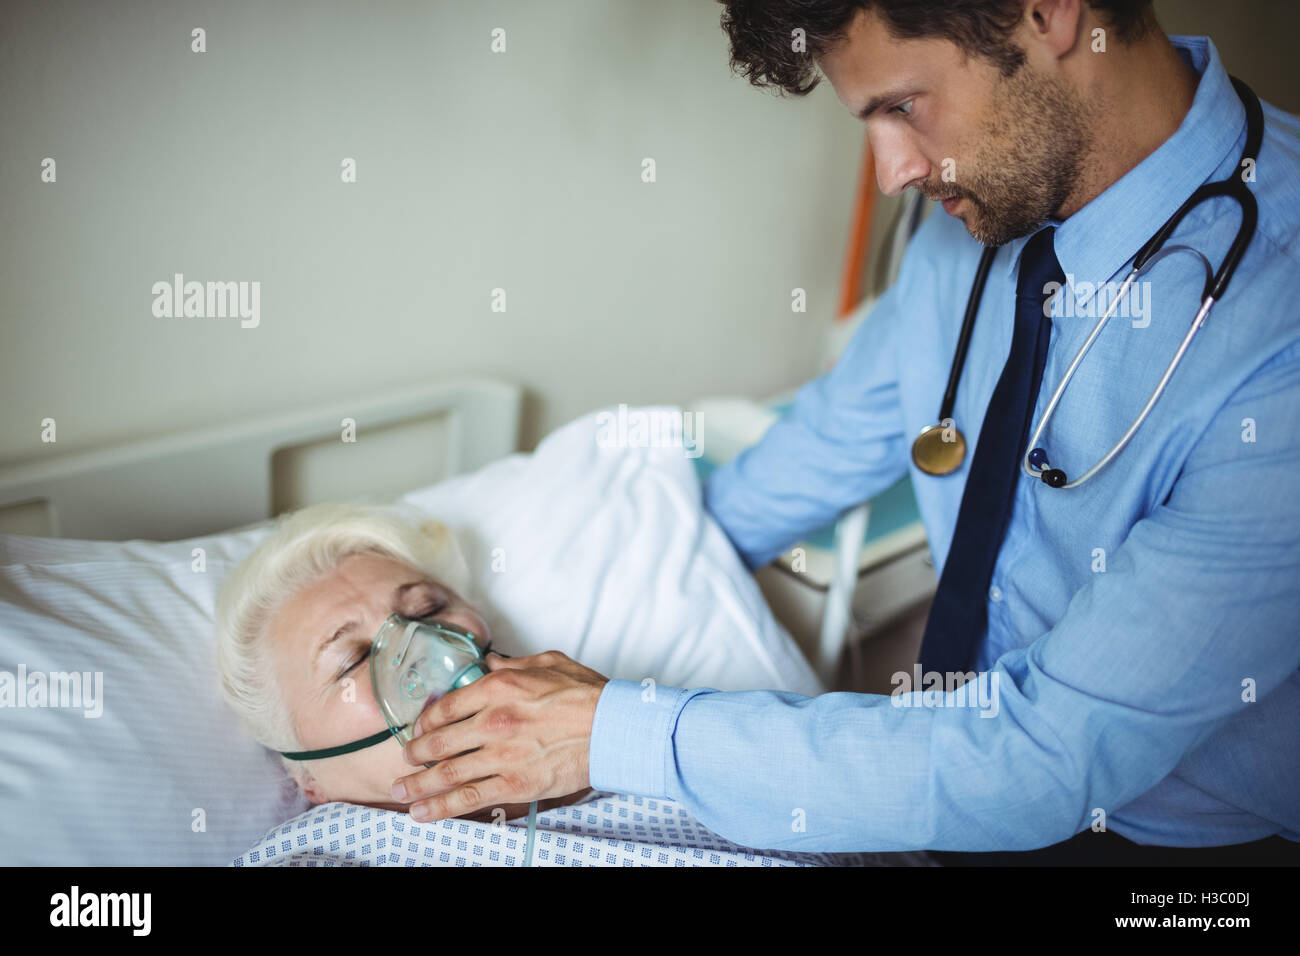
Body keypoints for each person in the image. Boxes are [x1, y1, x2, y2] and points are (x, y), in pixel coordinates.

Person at [384, 0, 1300, 864]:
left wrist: (615, 734)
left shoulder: (1278, 327)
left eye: (904, 105)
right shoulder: (971, 226)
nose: (892, 171)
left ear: (1051, 12)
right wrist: (608, 577)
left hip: (1183, 857)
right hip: (948, 774)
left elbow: (1042, 755)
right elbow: (825, 444)